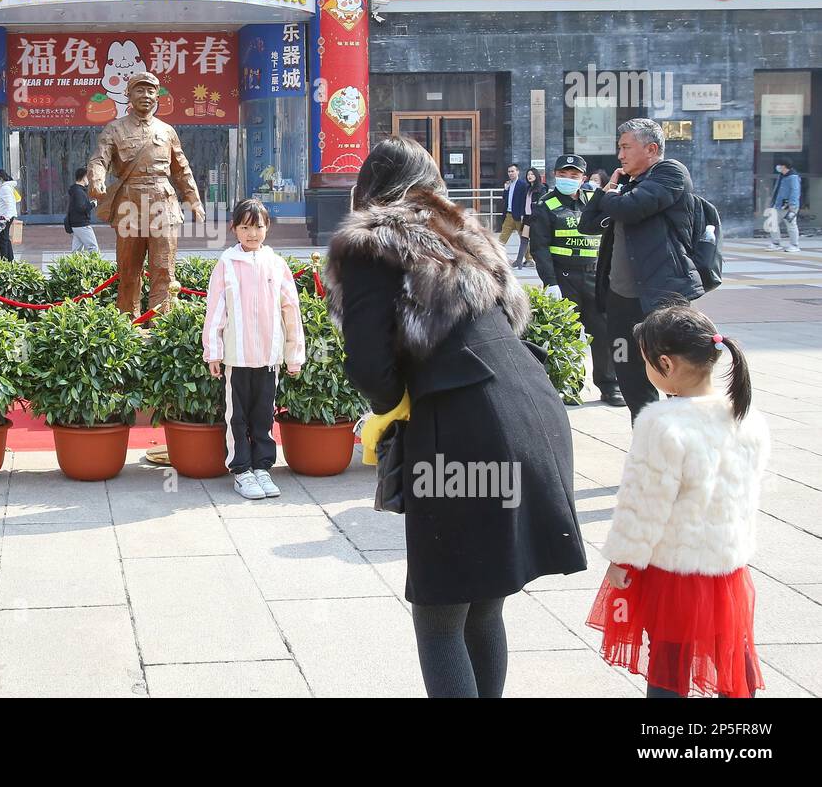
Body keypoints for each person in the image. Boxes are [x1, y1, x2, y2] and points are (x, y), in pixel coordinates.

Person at [325, 136, 586, 698]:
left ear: (370, 187)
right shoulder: (466, 233)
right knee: (483, 603)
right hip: (530, 407)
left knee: (440, 611)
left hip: (465, 429)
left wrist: (393, 404)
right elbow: (514, 317)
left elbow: (369, 364)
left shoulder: (372, 241)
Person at [587, 304, 769, 698]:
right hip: (727, 567)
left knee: (670, 663)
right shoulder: (743, 415)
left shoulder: (661, 423)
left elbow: (644, 503)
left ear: (665, 364)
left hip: (676, 571)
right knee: (732, 655)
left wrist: (622, 559)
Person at [579, 118, 704, 421]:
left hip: (660, 296)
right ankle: (646, 438)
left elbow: (629, 209)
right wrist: (606, 190)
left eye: (625, 147)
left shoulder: (669, 173)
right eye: (618, 148)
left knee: (675, 372)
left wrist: (612, 196)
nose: (619, 156)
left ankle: (682, 443)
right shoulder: (627, 185)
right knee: (630, 373)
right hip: (621, 299)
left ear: (651, 148)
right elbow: (588, 224)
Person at [202, 200, 305, 500]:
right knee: (237, 417)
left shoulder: (276, 264)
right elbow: (216, 311)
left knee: (263, 415)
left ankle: (263, 468)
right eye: (245, 227)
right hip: (237, 357)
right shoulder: (227, 264)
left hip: (269, 359)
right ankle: (242, 471)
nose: (252, 233)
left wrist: (293, 355)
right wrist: (214, 351)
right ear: (234, 228)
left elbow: (291, 310)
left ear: (267, 227)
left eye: (258, 226)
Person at [87, 72, 204, 317]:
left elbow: (181, 168)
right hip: (130, 204)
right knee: (129, 269)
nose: (146, 96)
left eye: (151, 91)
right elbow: (99, 159)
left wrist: (193, 199)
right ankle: (129, 322)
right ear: (128, 94)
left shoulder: (167, 131)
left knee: (164, 269)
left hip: (163, 203)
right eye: (140, 90)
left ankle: (159, 322)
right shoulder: (114, 129)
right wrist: (96, 180)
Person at [530, 155, 625, 406]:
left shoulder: (593, 202)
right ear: (555, 175)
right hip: (564, 277)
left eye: (574, 176)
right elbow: (539, 248)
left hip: (595, 277)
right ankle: (570, 384)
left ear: (583, 178)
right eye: (564, 174)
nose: (568, 179)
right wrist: (550, 283)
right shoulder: (545, 204)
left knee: (604, 332)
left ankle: (610, 385)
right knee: (568, 335)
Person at [766, 156, 801, 253]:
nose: (777, 167)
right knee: (772, 222)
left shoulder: (793, 177)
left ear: (784, 166)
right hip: (779, 205)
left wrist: (792, 206)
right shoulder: (782, 175)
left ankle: (794, 245)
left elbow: (795, 191)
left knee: (791, 225)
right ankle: (776, 243)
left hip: (789, 206)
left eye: (779, 165)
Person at [513, 166, 545, 269]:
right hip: (527, 217)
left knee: (536, 241)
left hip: (536, 217)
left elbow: (541, 204)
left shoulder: (541, 188)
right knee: (524, 239)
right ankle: (518, 261)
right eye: (528, 175)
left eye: (532, 174)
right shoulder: (527, 188)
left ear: (536, 176)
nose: (529, 176)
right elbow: (524, 203)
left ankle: (540, 261)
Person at [497, 163, 528, 263]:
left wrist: (523, 214)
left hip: (519, 215)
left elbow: (524, 200)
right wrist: (505, 189)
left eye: (512, 171)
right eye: (509, 171)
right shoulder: (508, 184)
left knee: (523, 238)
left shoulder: (522, 185)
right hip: (509, 215)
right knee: (502, 238)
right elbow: (504, 198)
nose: (510, 173)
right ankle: (496, 256)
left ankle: (529, 259)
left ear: (517, 172)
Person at [65, 166, 100, 253]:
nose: (88, 179)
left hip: (76, 224)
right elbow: (82, 208)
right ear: (84, 177)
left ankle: (74, 266)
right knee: (93, 248)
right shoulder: (78, 192)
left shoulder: (76, 190)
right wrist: (93, 204)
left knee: (77, 251)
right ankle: (95, 266)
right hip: (82, 224)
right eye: (87, 177)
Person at [0, 167, 19, 261]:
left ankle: (5, 260)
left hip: (5, 217)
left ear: (1, 178)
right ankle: (10, 259)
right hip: (4, 217)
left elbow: (9, 203)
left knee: (2, 239)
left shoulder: (5, 188)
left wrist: (6, 218)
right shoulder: (5, 187)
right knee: (4, 238)